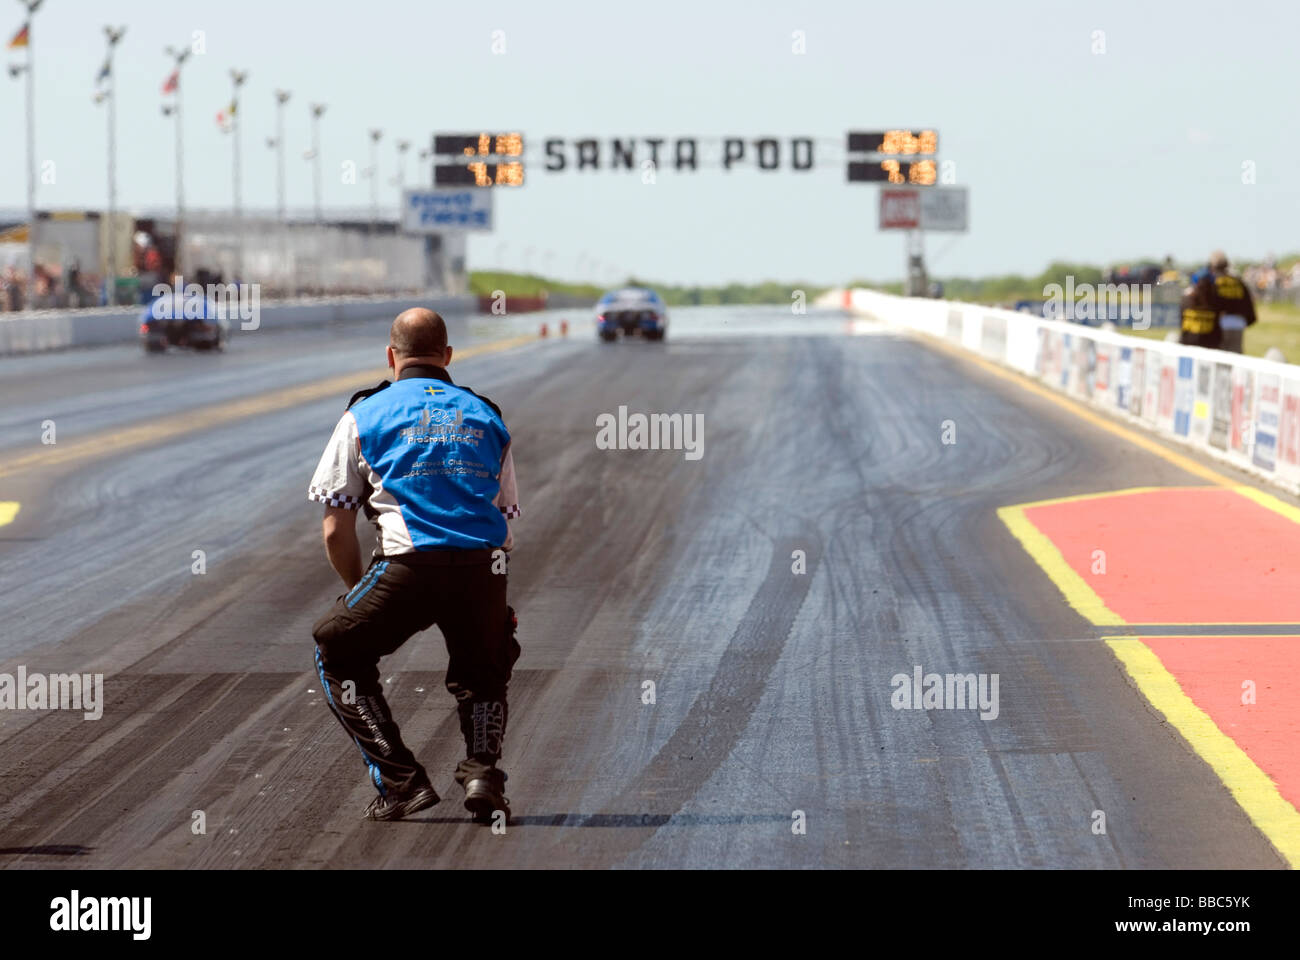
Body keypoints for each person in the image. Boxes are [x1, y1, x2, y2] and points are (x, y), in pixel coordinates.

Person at [307, 308, 522, 822]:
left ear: (391, 356)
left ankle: (402, 782)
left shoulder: (363, 414)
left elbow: (336, 527)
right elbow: (506, 516)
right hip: (483, 567)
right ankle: (481, 774)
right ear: (448, 356)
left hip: (405, 566)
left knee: (336, 648)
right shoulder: (486, 414)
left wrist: (362, 592)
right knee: (485, 669)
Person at [1206, 250, 1256, 354]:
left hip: (1220, 324)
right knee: (1236, 357)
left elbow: (1209, 303)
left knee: (1220, 358)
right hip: (1239, 323)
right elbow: (1248, 301)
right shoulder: (1238, 281)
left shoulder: (1213, 282)